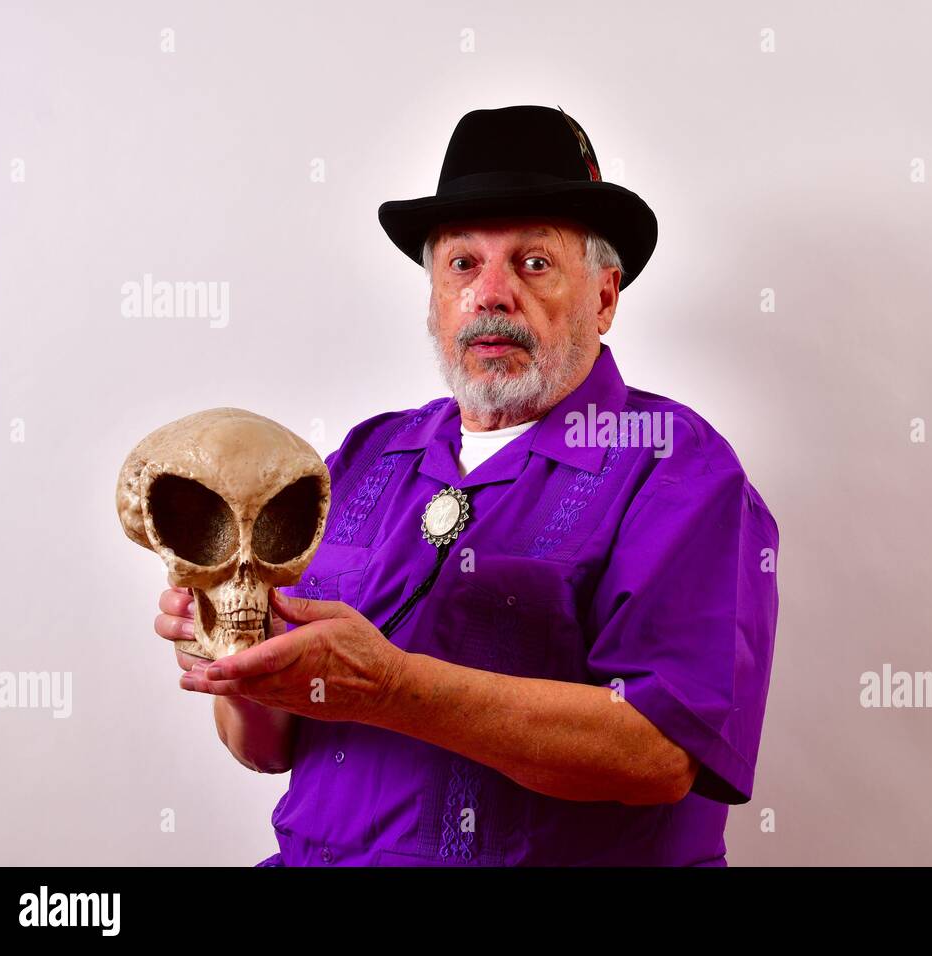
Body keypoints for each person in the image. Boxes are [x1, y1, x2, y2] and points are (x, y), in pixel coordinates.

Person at [154, 105, 779, 865]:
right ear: (433, 299)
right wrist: (237, 665)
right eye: (461, 264)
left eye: (534, 262)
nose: (490, 293)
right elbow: (268, 751)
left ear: (605, 297)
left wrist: (393, 687)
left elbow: (659, 754)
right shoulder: (359, 459)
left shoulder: (677, 467)